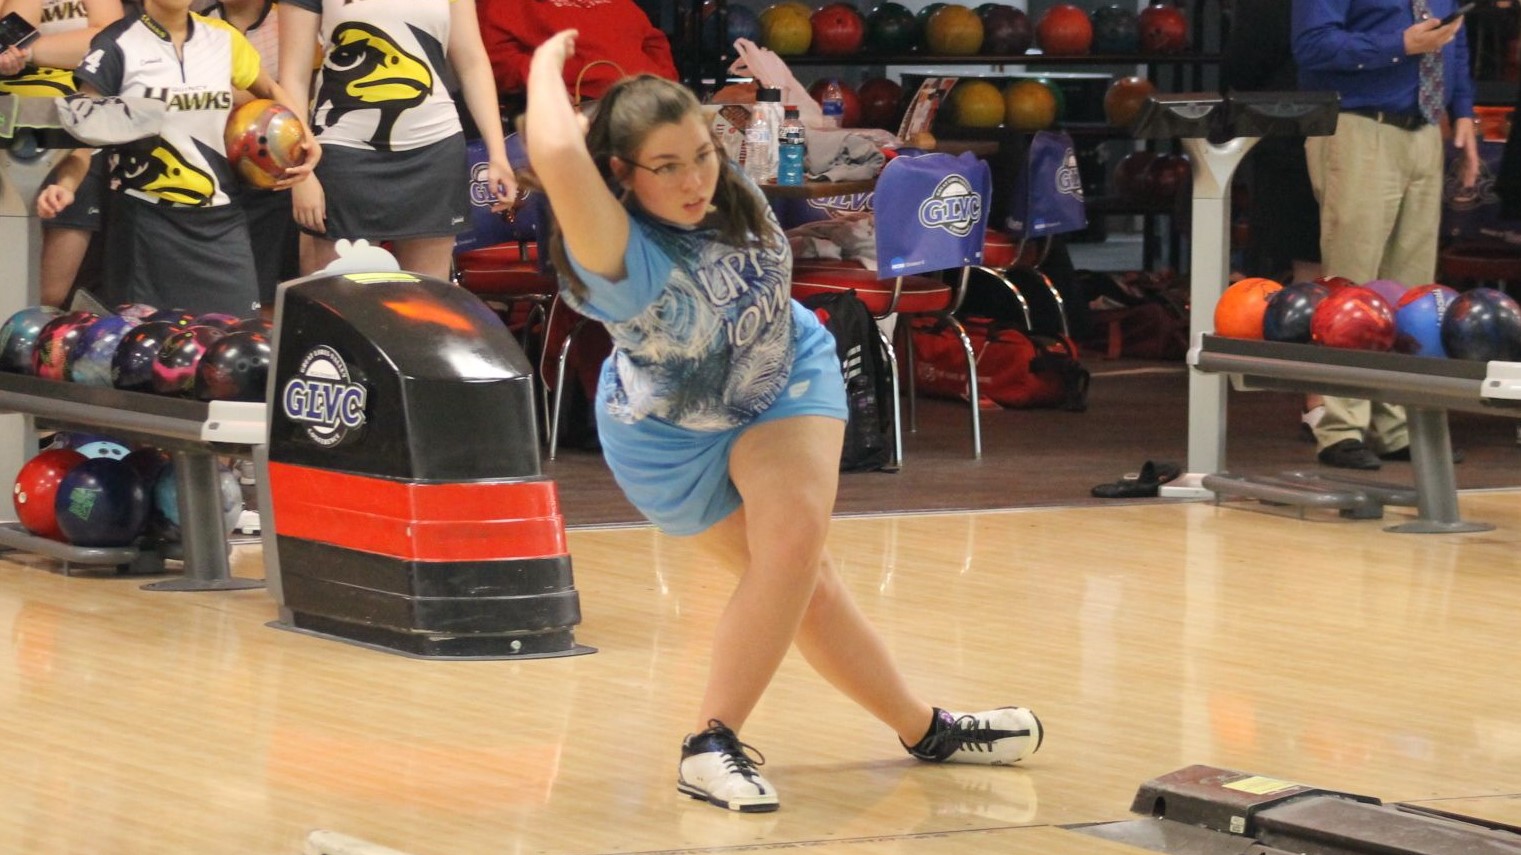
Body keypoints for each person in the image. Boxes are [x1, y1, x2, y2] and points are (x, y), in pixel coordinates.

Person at [523, 29, 1043, 814]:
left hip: (785, 376)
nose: (696, 178)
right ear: (621, 176)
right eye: (667, 167)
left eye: (702, 153)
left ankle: (710, 740)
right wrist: (540, 67)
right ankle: (925, 728)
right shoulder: (617, 248)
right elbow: (559, 157)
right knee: (807, 585)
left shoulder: (722, 184)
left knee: (794, 544)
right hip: (672, 438)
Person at [1292, 0, 1480, 470]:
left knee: (1412, 291)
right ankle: (1340, 426)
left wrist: (1463, 112)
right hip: (1358, 126)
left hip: (1422, 129)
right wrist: (1398, 45)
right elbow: (1312, 46)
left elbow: (1454, 38)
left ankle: (1396, 424)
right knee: (1351, 286)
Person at [37, 0, 316, 317]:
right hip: (146, 224)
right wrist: (67, 184)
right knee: (150, 352)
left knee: (237, 339)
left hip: (222, 220)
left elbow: (269, 88)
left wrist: (305, 137)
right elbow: (83, 138)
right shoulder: (115, 44)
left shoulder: (223, 39)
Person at [276, 0, 516, 281]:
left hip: (435, 150)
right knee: (338, 304)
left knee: (428, 307)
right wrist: (300, 169)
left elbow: (472, 63)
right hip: (343, 152)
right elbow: (293, 77)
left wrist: (498, 154)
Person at [1224, 0, 1326, 441]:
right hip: (1291, 132)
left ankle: (1340, 402)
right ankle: (1320, 398)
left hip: (1325, 122)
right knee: (1312, 267)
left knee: (1325, 267)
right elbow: (1243, 66)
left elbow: (1241, 67)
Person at [1, 0, 124, 307]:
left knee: (48, 294)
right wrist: (60, 49)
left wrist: (28, 52)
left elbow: (109, 43)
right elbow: (8, 38)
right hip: (9, 129)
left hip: (72, 136)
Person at [202, 0, 299, 308]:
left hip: (275, 164)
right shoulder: (203, 24)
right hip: (213, 163)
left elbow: (289, 92)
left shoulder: (286, 22)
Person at [475, 0, 676, 112]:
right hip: (577, 111)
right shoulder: (504, 5)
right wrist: (545, 81)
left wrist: (663, 86)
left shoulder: (620, 4)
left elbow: (653, 41)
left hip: (648, 104)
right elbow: (496, 60)